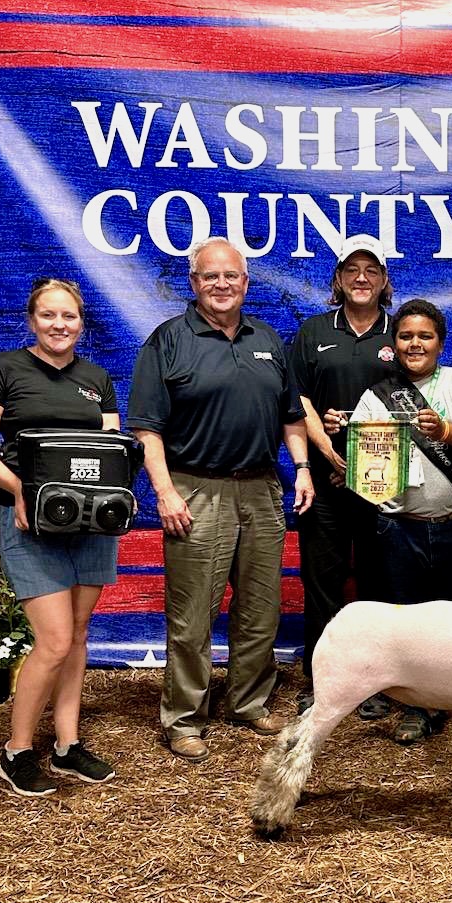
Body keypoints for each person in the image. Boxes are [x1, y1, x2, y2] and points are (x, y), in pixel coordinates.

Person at [128, 237, 313, 763]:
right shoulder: (168, 340)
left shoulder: (268, 340)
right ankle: (184, 717)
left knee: (260, 608)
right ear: (194, 283)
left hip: (261, 488)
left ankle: (249, 701)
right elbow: (146, 428)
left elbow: (291, 417)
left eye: (231, 275)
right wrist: (164, 491)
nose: (221, 284)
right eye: (210, 276)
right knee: (192, 615)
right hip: (193, 488)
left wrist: (301, 468)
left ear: (246, 283)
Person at [0, 279, 120, 796]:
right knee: (53, 640)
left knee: (76, 636)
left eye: (69, 316)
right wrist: (20, 491)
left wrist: (118, 494)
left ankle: (67, 744)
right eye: (49, 315)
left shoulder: (96, 378)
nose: (60, 325)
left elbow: (111, 450)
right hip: (31, 524)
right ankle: (16, 751)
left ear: (81, 322)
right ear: (32, 320)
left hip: (91, 526)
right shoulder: (4, 370)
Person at [348, 298, 452, 746]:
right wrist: (351, 441)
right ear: (394, 343)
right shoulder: (376, 395)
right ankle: (419, 707)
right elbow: (361, 460)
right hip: (401, 527)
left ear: (440, 343)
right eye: (406, 335)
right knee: (411, 628)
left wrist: (446, 431)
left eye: (425, 336)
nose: (415, 343)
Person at [289, 235, 396, 715]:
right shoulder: (313, 332)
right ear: (337, 279)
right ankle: (321, 682)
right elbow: (299, 402)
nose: (361, 278)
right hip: (328, 485)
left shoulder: (402, 332)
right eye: (351, 269)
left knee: (378, 587)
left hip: (386, 487)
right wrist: (331, 456)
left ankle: (375, 685)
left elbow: (417, 403)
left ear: (384, 280)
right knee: (323, 585)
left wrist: (368, 469)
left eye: (371, 270)